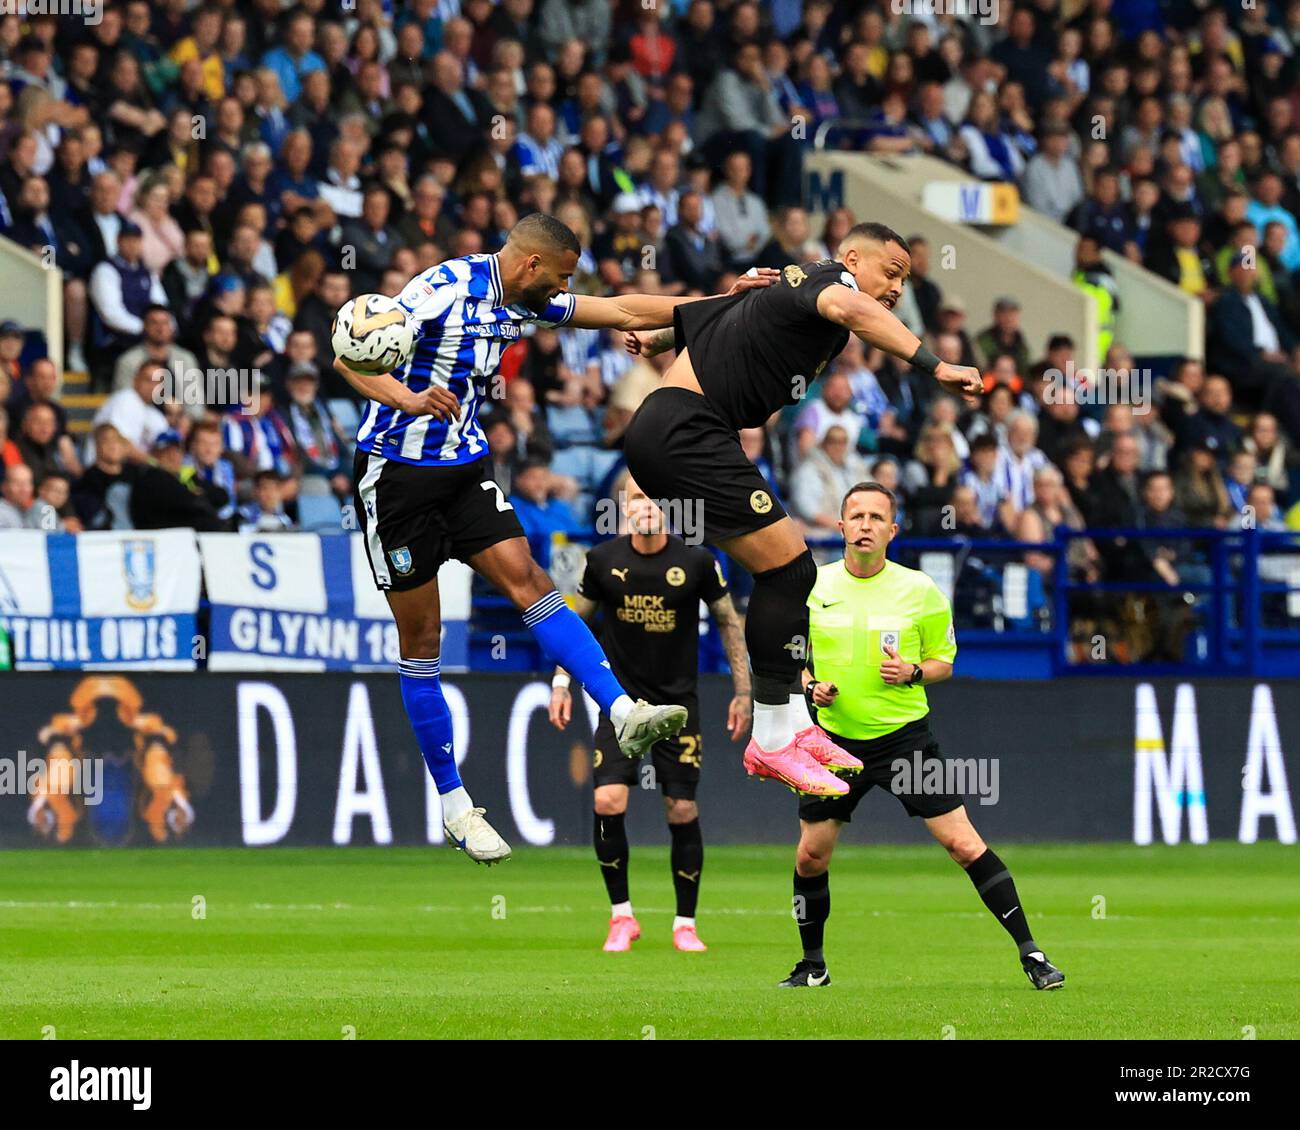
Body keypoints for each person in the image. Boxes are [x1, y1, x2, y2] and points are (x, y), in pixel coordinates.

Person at [332, 212, 775, 864]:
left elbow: (622, 307)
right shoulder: (442, 288)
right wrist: (404, 397)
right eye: (564, 274)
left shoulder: (523, 303)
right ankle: (455, 804)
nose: (568, 287)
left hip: (461, 470)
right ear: (533, 265)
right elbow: (349, 355)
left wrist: (721, 302)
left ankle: (623, 711)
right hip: (395, 481)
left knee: (533, 583)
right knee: (422, 639)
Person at [621, 222, 983, 799]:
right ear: (850, 257)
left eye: (904, 281)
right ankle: (771, 735)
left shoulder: (782, 290)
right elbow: (852, 309)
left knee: (792, 574)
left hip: (683, 429)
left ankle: (789, 724)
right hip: (683, 429)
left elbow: (710, 317)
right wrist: (935, 367)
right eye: (890, 272)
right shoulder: (831, 286)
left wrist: (659, 337)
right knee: (790, 571)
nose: (894, 289)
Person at [782, 481, 1065, 991]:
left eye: (875, 517)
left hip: (903, 741)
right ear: (840, 526)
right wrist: (811, 687)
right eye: (856, 516)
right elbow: (793, 660)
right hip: (832, 743)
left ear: (892, 530)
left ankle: (1033, 954)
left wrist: (913, 672)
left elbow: (944, 663)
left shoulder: (919, 590)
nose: (865, 525)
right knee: (810, 856)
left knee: (963, 844)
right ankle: (812, 967)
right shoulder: (813, 587)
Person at [547, 474, 751, 954]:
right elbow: (576, 626)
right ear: (623, 506)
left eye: (654, 498)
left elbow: (728, 621)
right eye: (637, 498)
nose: (646, 506)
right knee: (608, 803)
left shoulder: (697, 560)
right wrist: (560, 682)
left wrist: (743, 692)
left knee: (680, 807)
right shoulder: (603, 560)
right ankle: (622, 917)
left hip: (677, 707)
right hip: (620, 705)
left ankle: (685, 923)